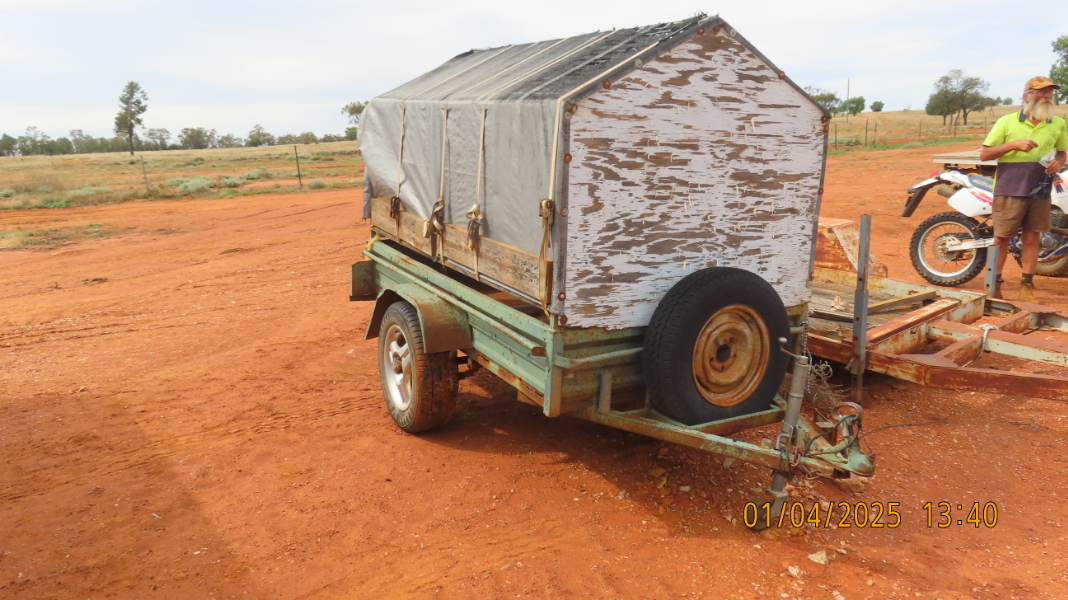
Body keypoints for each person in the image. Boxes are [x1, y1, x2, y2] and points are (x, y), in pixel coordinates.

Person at [979, 76, 1068, 302]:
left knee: (1032, 238)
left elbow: (1062, 152)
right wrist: (1012, 145)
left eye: (1050, 92)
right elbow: (985, 154)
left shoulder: (1057, 124)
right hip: (1010, 190)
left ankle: (1026, 287)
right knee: (1001, 238)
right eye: (1041, 92)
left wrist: (1059, 161)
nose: (1047, 96)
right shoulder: (1007, 122)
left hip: (1041, 190)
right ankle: (993, 286)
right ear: (1027, 95)